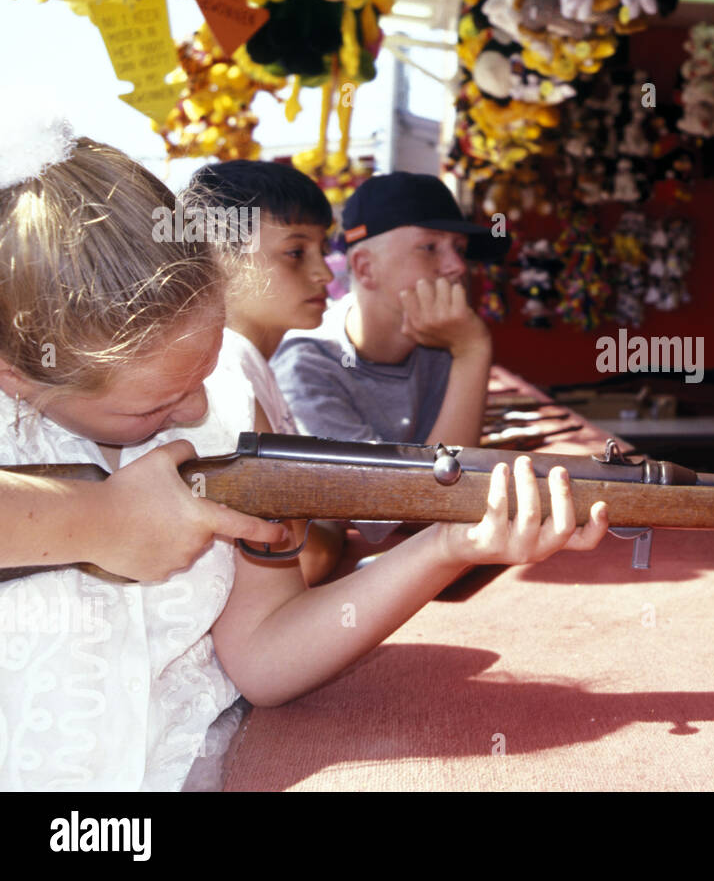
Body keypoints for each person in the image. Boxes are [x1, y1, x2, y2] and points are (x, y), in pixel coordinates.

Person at [0, 130, 607, 790]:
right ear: (19, 379)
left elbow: (263, 659)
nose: (199, 409)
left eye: (203, 371)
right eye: (156, 404)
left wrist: (446, 547)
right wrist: (100, 520)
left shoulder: (231, 405)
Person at [181, 159, 345, 586]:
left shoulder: (243, 361)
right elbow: (302, 558)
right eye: (296, 252)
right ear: (218, 259)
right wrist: (329, 524)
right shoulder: (225, 373)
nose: (324, 272)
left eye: (322, 249)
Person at [271, 171, 507, 448]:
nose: (457, 266)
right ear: (365, 268)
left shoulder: (443, 339)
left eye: (459, 249)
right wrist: (472, 352)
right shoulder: (307, 368)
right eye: (430, 247)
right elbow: (423, 489)